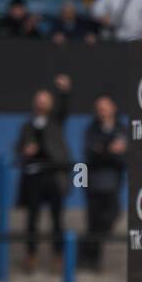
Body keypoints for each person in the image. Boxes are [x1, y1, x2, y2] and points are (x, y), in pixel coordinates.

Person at [16, 74, 71, 272]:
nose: (41, 104)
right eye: (39, 101)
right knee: (32, 219)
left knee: (57, 219)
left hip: (53, 176)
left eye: (45, 101)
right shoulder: (27, 125)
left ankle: (59, 256)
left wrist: (64, 92)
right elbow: (18, 148)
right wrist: (25, 151)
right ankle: (30, 255)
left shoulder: (55, 122)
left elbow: (64, 110)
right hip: (34, 178)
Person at [81, 95, 126, 271]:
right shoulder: (91, 129)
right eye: (99, 108)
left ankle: (86, 250)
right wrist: (110, 151)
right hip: (92, 183)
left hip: (113, 183)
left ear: (113, 108)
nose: (102, 111)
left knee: (111, 216)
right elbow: (90, 154)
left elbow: (123, 156)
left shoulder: (121, 129)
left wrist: (105, 151)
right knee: (93, 223)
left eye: (105, 108)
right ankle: (91, 260)